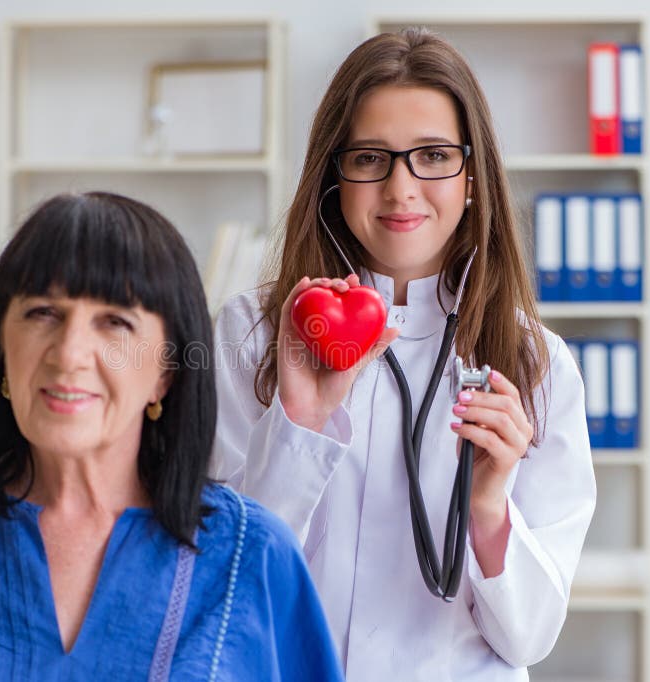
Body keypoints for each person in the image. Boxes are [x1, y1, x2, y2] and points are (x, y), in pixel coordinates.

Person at [212, 28, 596, 681]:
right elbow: (225, 588)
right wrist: (298, 427)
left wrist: (489, 508)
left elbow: (529, 638)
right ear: (333, 175)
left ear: (472, 178)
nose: (401, 188)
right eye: (370, 158)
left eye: (434, 155)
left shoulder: (537, 362)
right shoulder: (253, 332)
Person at [0, 192, 344, 681]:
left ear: (166, 374)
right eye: (42, 313)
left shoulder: (257, 554)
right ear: (0, 347)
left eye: (115, 322)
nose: (69, 354)